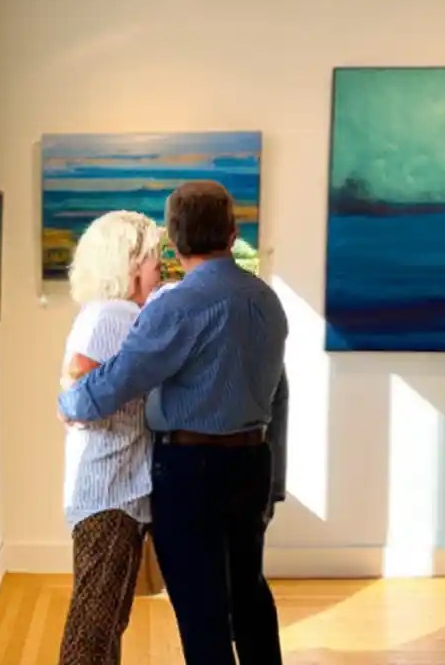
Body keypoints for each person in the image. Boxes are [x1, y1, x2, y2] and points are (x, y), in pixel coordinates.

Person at [59, 181, 288, 665]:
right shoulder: (268, 301)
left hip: (191, 471)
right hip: (254, 464)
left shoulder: (175, 306)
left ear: (176, 243)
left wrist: (71, 400)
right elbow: (280, 395)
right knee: (248, 594)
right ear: (233, 234)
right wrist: (275, 479)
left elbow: (120, 379)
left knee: (202, 610)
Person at [56, 210, 163, 665]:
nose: (160, 269)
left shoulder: (101, 313)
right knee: (94, 628)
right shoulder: (117, 315)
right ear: (130, 262)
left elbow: (74, 387)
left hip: (108, 488)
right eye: (154, 259)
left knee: (104, 621)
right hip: (111, 493)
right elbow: (77, 383)